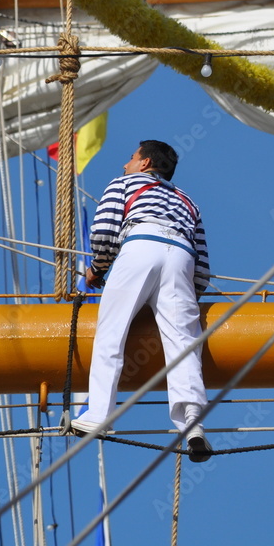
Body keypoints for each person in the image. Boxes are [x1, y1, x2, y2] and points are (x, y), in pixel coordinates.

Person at [71, 140, 213, 462]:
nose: (125, 164)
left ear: (145, 163)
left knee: (111, 333)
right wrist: (185, 300)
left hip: (139, 246)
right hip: (182, 259)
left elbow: (105, 233)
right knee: (183, 343)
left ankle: (100, 416)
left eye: (130, 157)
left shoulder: (124, 183)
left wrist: (97, 268)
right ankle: (192, 422)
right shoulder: (188, 201)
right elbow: (202, 268)